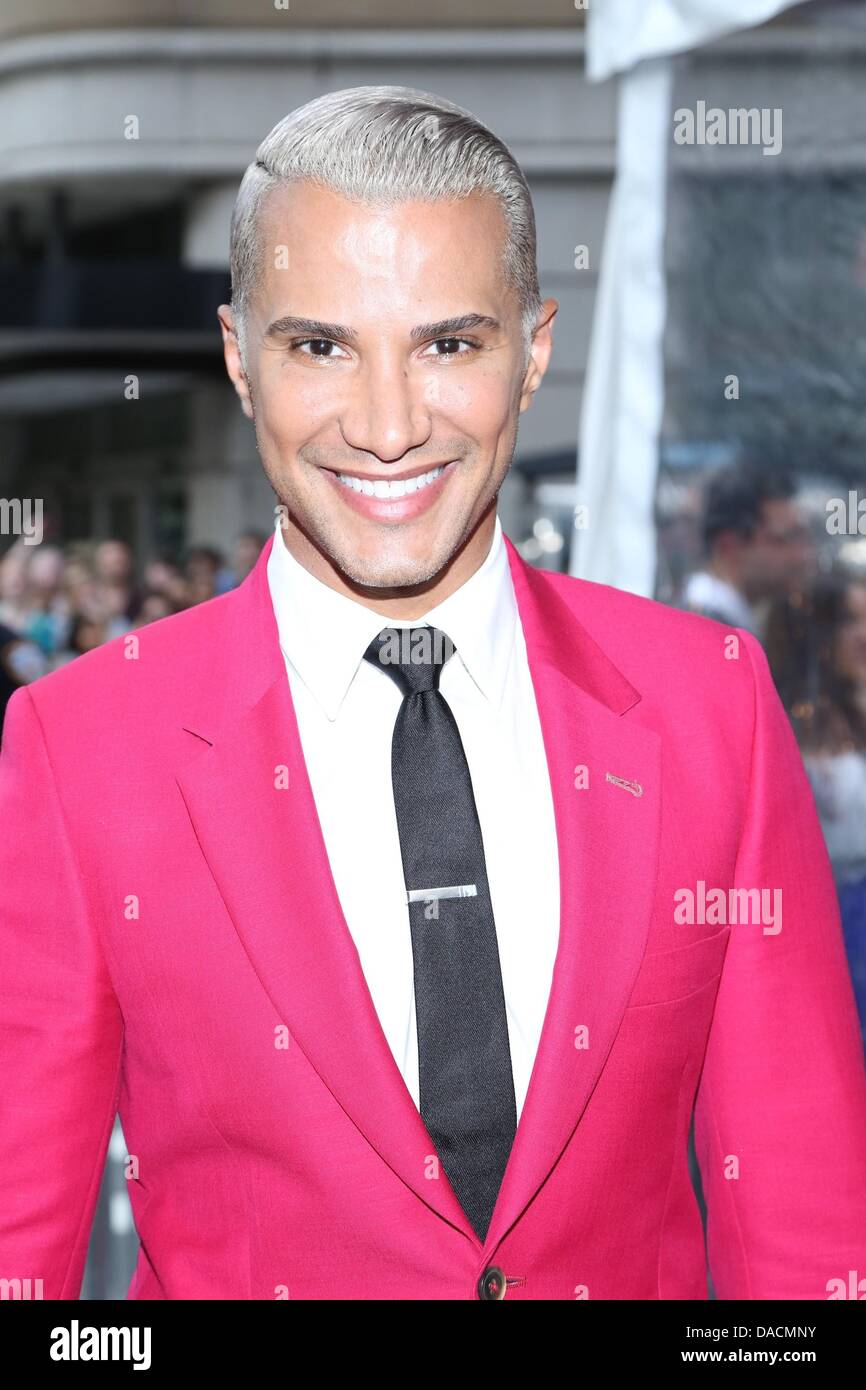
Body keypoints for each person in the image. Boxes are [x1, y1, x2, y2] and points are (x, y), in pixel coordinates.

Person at [1, 85, 865, 1303]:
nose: (388, 425)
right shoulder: (81, 744)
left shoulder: (706, 701)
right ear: (240, 358)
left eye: (447, 344)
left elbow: (803, 1219)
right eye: (320, 346)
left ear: (534, 350)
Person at [765, 571, 866, 1053]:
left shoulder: (853, 710)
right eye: (849, 620)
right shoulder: (792, 716)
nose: (862, 634)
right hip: (821, 920)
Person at [684, 461, 814, 637]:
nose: (801, 556)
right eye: (783, 540)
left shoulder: (722, 625)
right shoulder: (706, 635)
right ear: (728, 545)